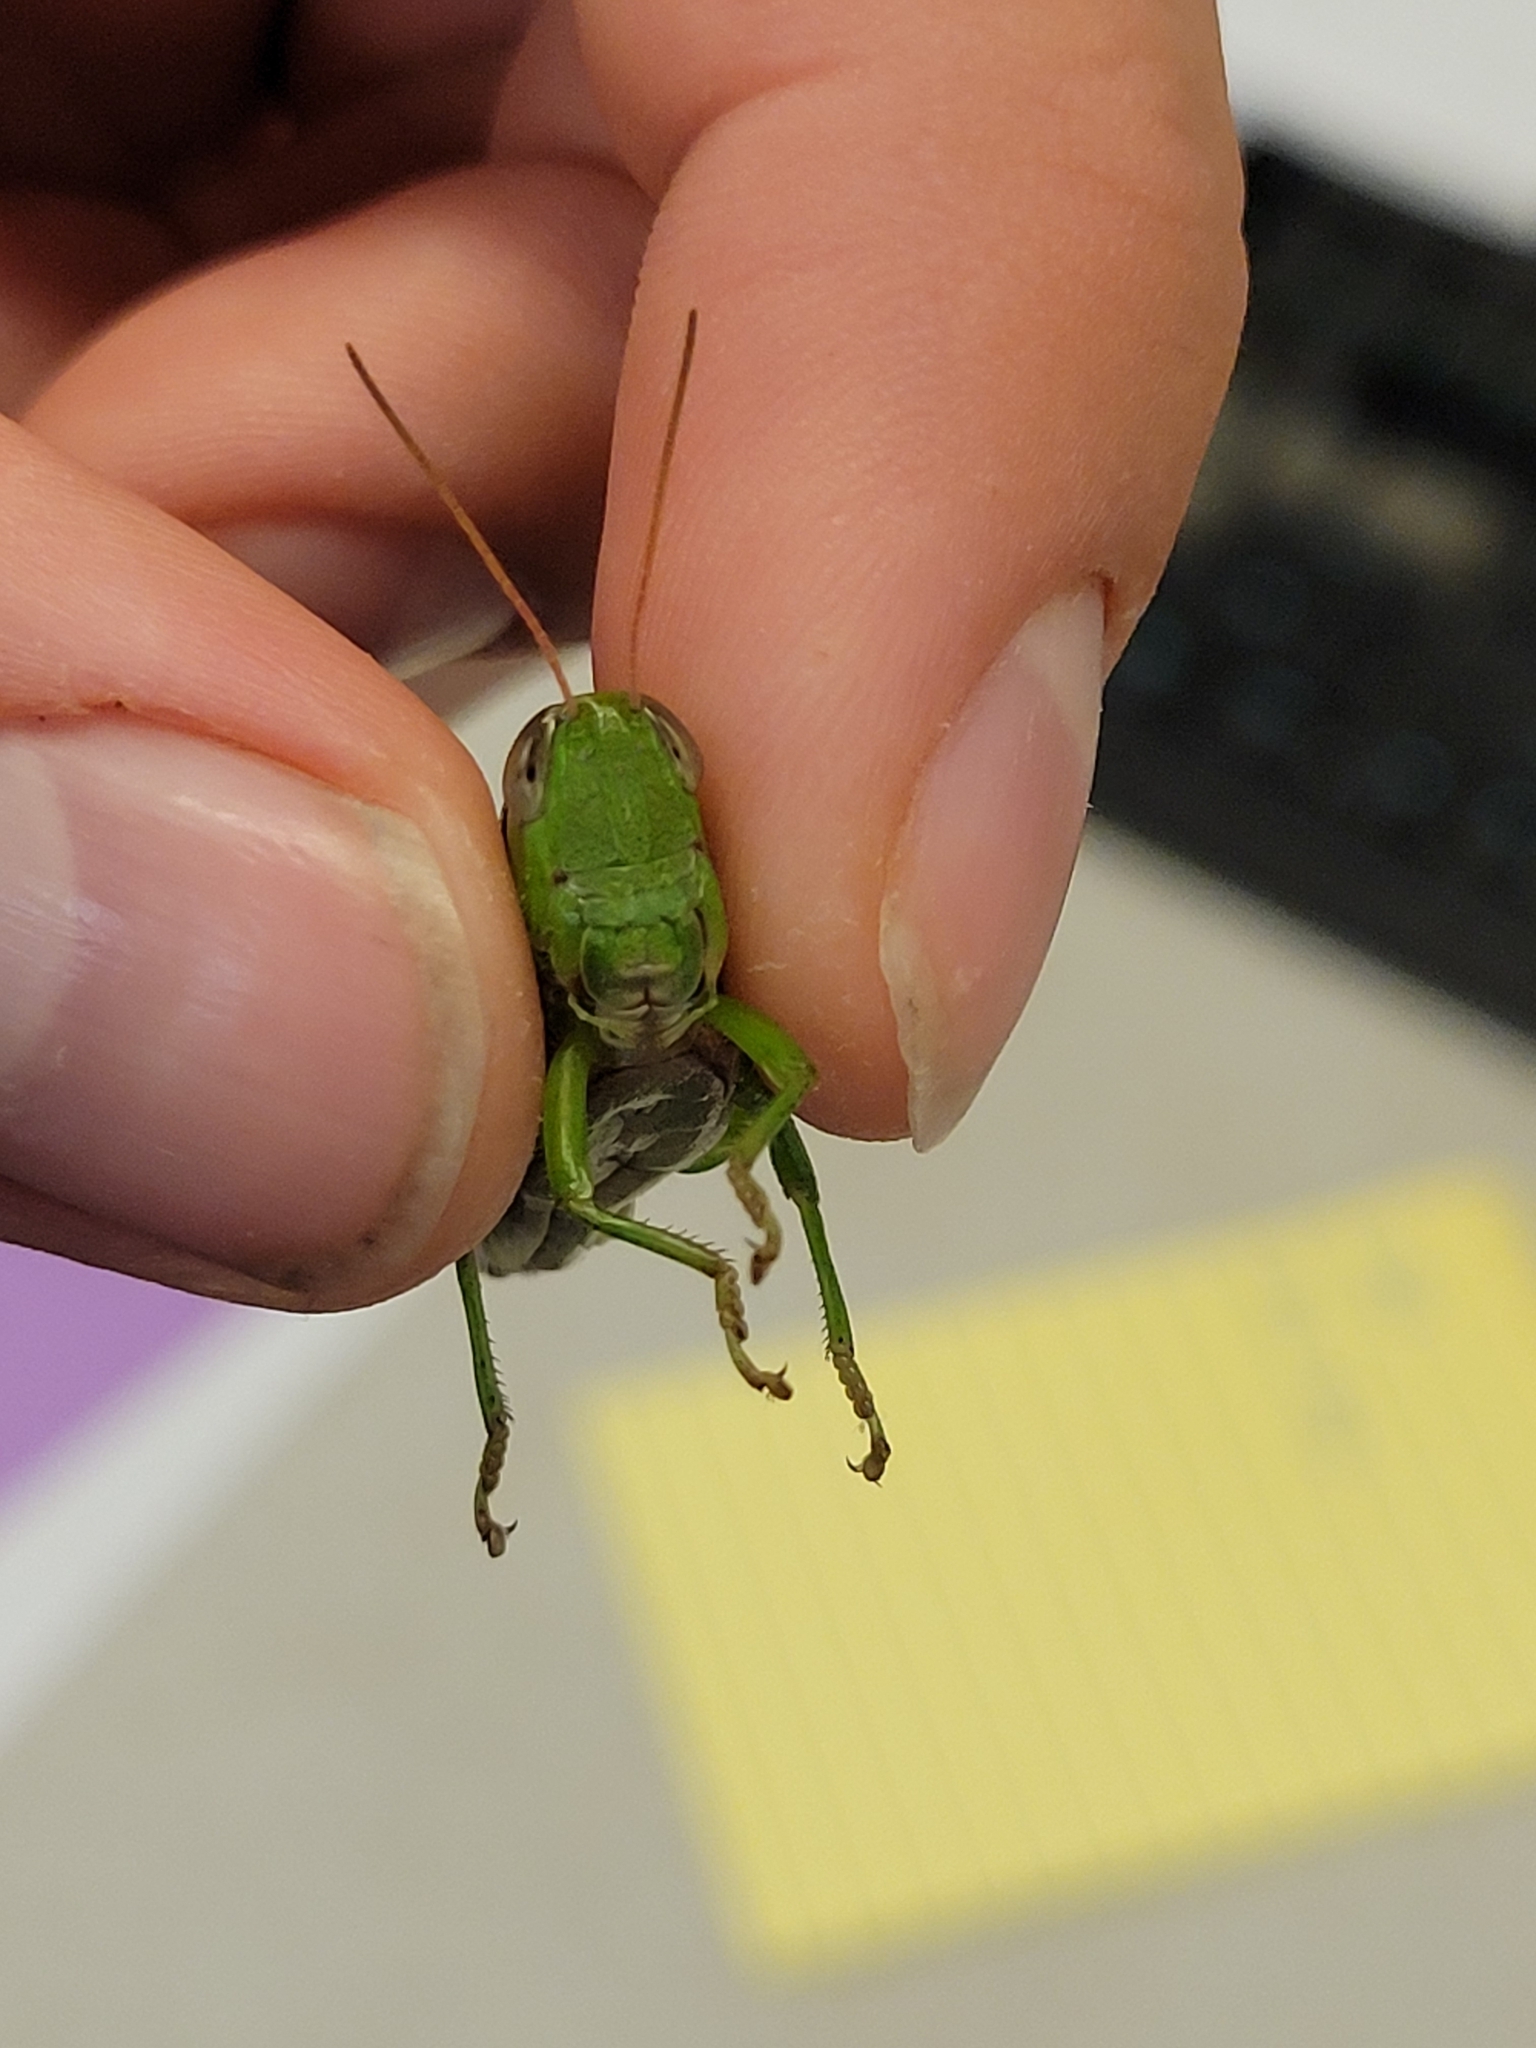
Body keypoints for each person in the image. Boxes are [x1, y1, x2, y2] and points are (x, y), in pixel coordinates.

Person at [0, 0, 1245, 1312]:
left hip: (651, 1116)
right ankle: (509, 1413)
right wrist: (708, 1253)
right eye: (545, 763)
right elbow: (542, 1152)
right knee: (478, 1166)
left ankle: (832, 1342)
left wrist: (755, 1165)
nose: (599, 754)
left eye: (659, 747)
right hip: (536, 1178)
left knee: (799, 1081)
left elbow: (790, 1069)